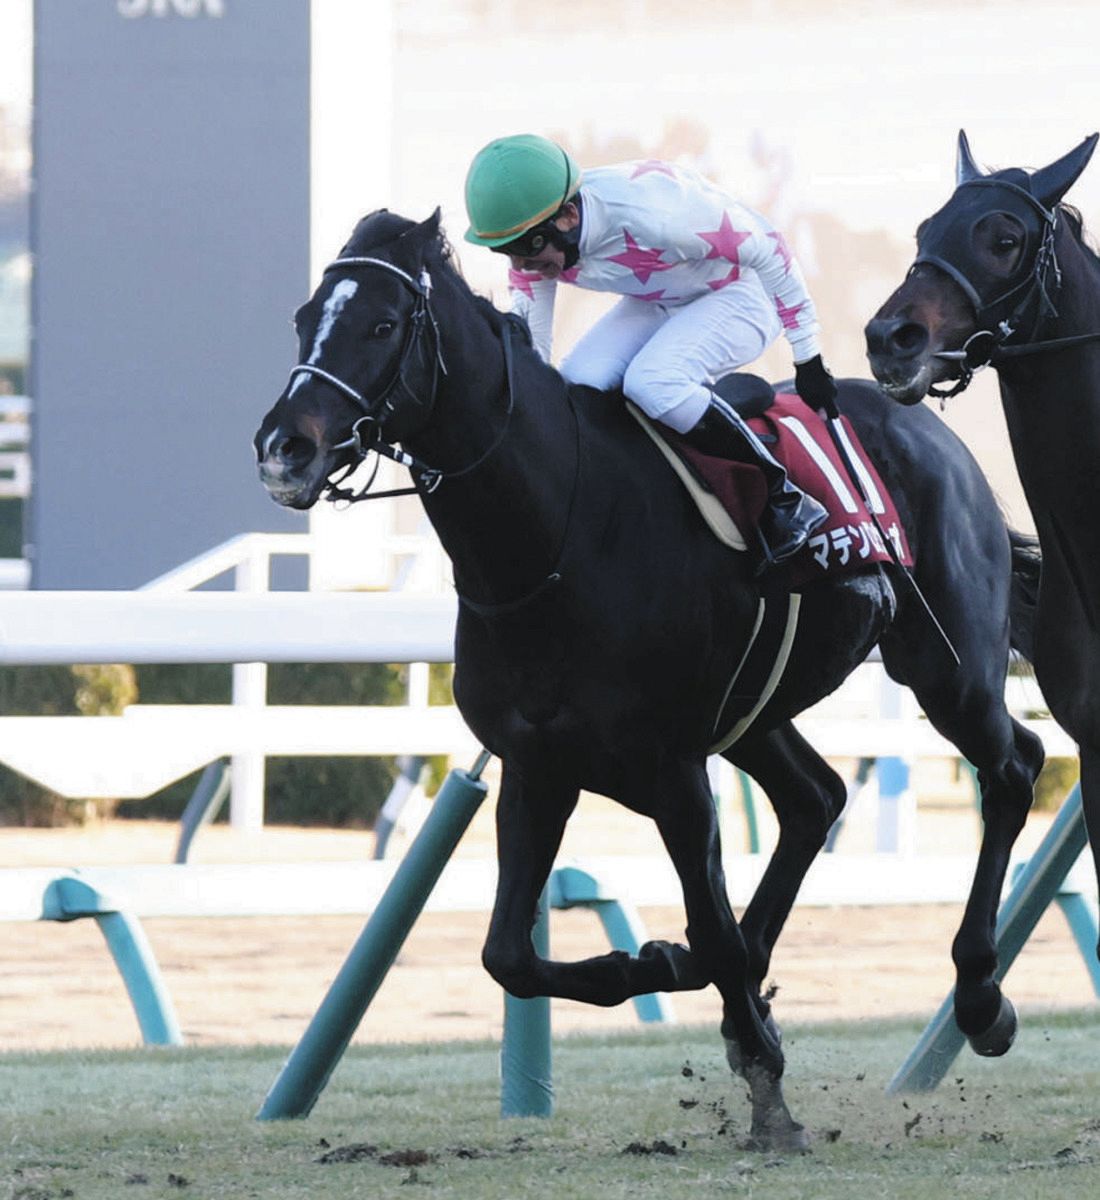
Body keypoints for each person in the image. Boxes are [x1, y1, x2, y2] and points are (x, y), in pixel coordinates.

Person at [464, 133, 838, 568]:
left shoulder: (656, 214)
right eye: (503, 252)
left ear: (567, 215)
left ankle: (784, 495)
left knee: (653, 383)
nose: (520, 267)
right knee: (576, 386)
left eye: (526, 248)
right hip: (660, 296)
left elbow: (770, 249)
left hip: (744, 293)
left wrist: (807, 354)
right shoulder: (541, 238)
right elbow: (535, 356)